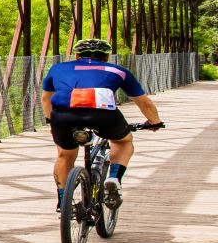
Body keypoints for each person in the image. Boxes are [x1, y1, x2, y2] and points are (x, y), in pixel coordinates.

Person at [42, 38, 165, 209]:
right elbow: (144, 102)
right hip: (102, 115)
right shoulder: (118, 71)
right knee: (123, 141)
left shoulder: (58, 68)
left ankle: (63, 201)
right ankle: (114, 177)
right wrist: (154, 122)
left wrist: (51, 120)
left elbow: (46, 98)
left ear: (77, 55)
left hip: (63, 115)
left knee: (64, 155)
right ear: (106, 57)